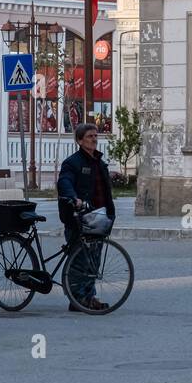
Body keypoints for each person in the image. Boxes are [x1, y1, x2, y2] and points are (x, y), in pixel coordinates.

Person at [57, 123, 116, 312]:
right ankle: (79, 298)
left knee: (94, 260)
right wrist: (74, 198)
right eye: (90, 136)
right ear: (80, 141)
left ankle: (87, 297)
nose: (94, 139)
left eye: (95, 136)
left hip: (99, 217)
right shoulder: (72, 163)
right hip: (79, 218)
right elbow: (64, 182)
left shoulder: (99, 162)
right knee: (80, 260)